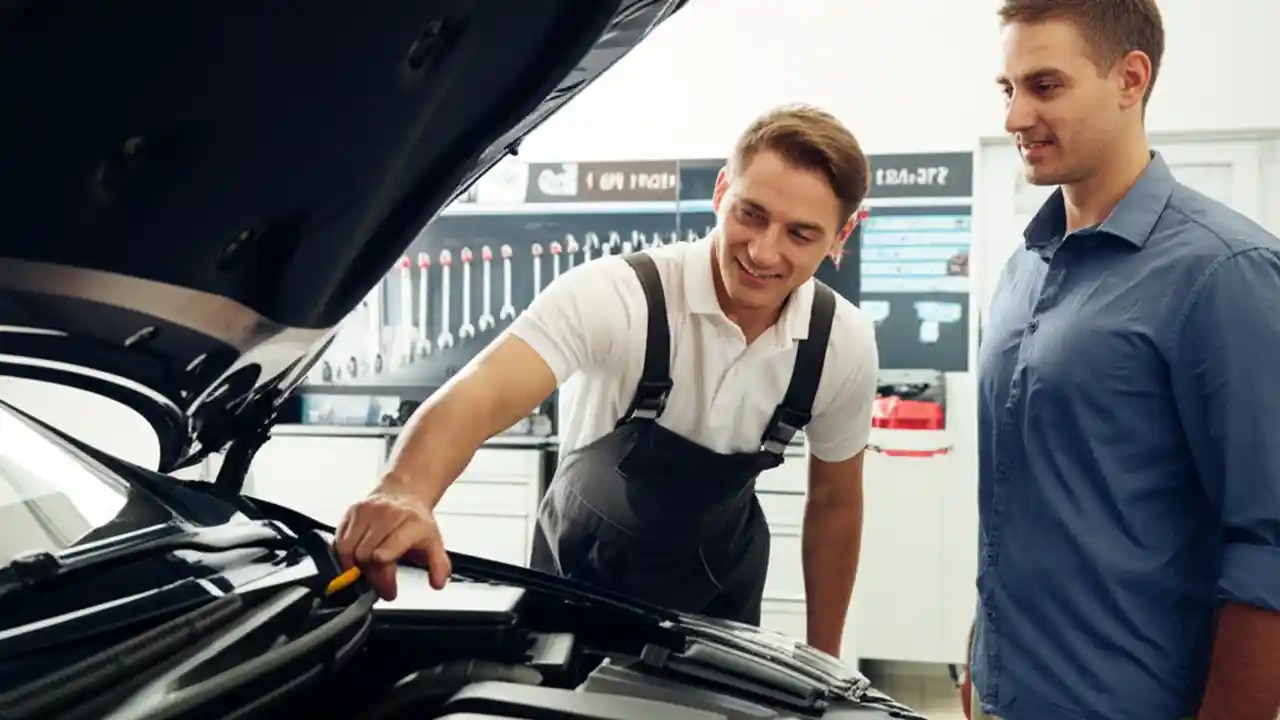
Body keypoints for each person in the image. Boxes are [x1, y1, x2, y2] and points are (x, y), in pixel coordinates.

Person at [333, 104, 881, 657]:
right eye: (752, 214)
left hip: (721, 606)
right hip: (576, 588)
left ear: (842, 234)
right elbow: (485, 391)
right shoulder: (618, 296)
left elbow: (836, 503)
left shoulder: (840, 344)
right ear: (721, 192)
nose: (764, 251)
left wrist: (825, 660)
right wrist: (404, 490)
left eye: (801, 234)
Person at [964, 1, 1280, 719]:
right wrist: (983, 657)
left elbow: (1269, 549)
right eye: (1007, 90)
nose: (1016, 118)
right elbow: (1020, 502)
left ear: (1130, 78)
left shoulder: (1225, 272)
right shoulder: (1023, 272)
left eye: (1045, 86)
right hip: (1004, 693)